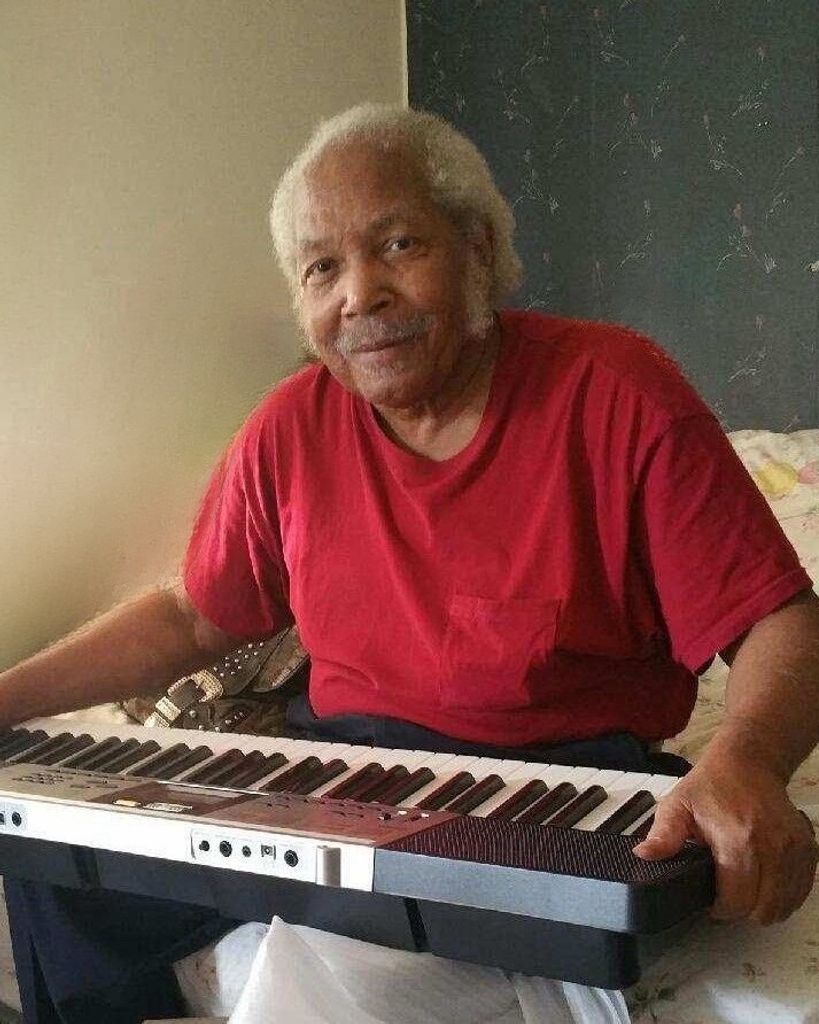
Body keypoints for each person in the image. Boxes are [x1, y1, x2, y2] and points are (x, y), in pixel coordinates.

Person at [1, 103, 817, 1022]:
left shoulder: (616, 392)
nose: (360, 295)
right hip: (338, 777)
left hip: (555, 790)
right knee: (52, 855)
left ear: (477, 248)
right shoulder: (289, 426)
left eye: (396, 245)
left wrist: (746, 758)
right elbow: (194, 617)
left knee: (317, 968)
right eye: (321, 268)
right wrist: (7, 696)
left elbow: (777, 619)